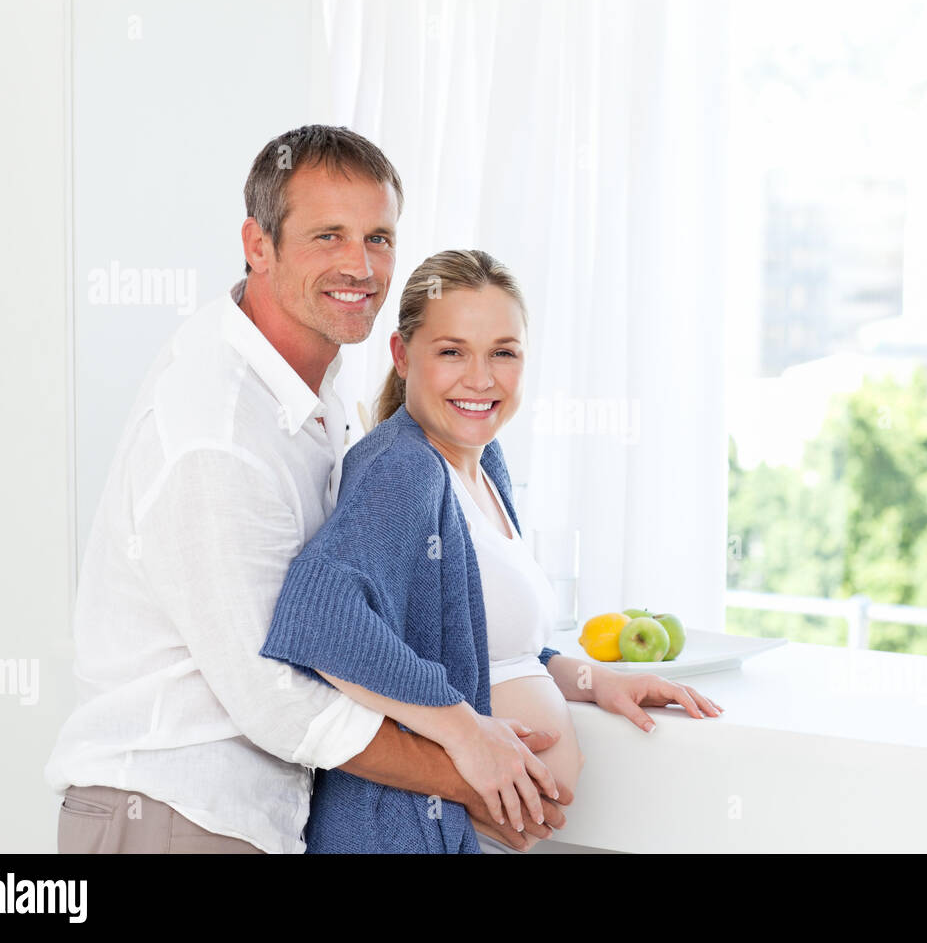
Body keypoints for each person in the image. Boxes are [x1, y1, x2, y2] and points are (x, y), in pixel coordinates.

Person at [44, 126, 567, 854]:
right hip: (173, 815)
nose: (360, 266)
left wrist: (573, 675)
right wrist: (468, 764)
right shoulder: (218, 431)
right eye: (329, 236)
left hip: (249, 823)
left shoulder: (316, 383)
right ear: (258, 244)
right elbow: (276, 695)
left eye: (378, 237)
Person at [261, 249, 723, 853]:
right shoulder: (404, 469)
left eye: (503, 353)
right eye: (452, 351)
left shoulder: (485, 468)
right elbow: (319, 620)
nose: (481, 379)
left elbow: (489, 650)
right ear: (402, 356)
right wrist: (467, 733)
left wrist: (591, 679)